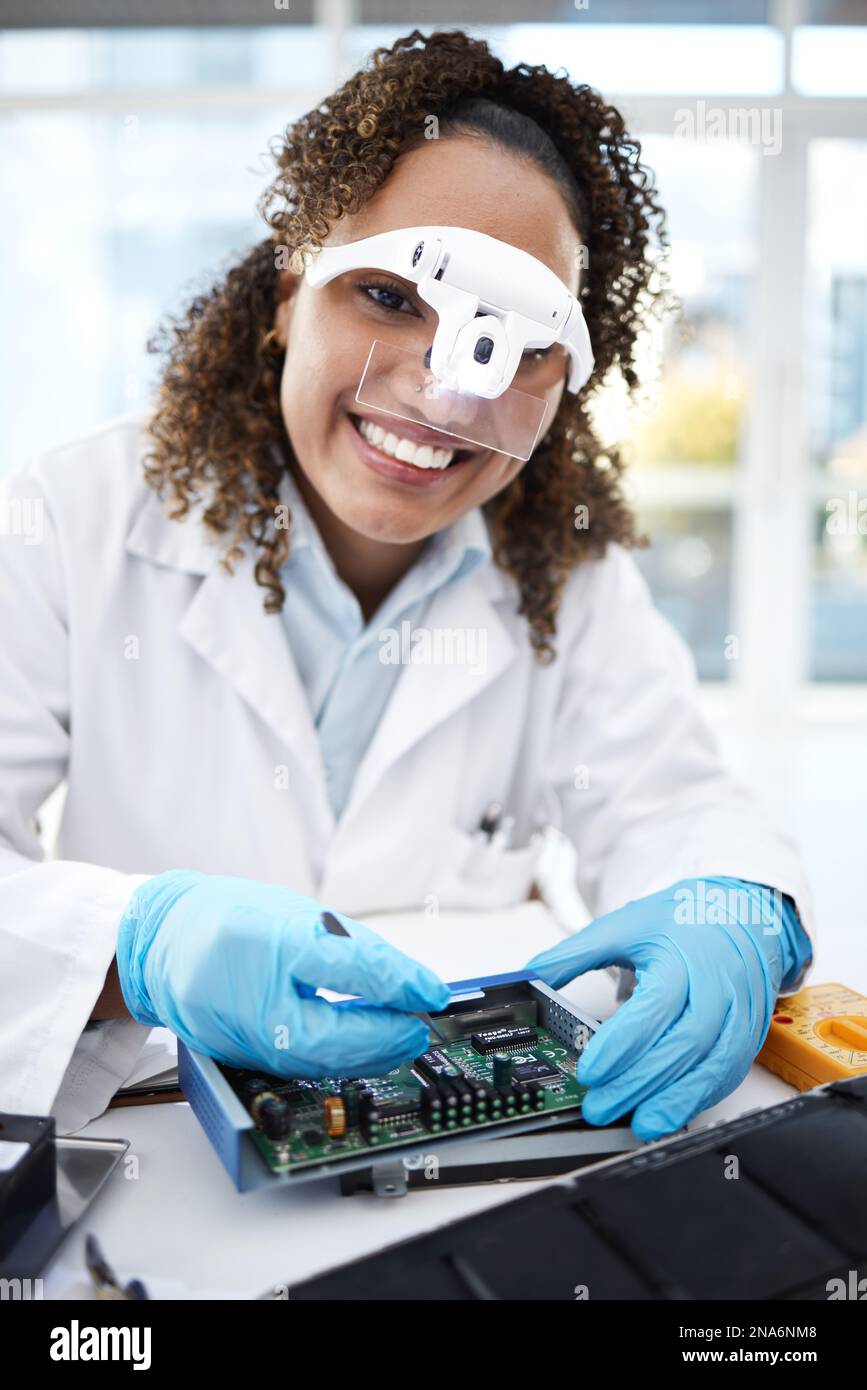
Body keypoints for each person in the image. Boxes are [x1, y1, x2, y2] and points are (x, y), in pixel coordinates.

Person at [0, 29, 812, 1140]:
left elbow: (676, 800)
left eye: (520, 345)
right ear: (290, 292)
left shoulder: (565, 576)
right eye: (386, 295)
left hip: (474, 1138)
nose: (442, 391)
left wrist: (741, 911)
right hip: (159, 1138)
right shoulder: (73, 516)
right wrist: (126, 947)